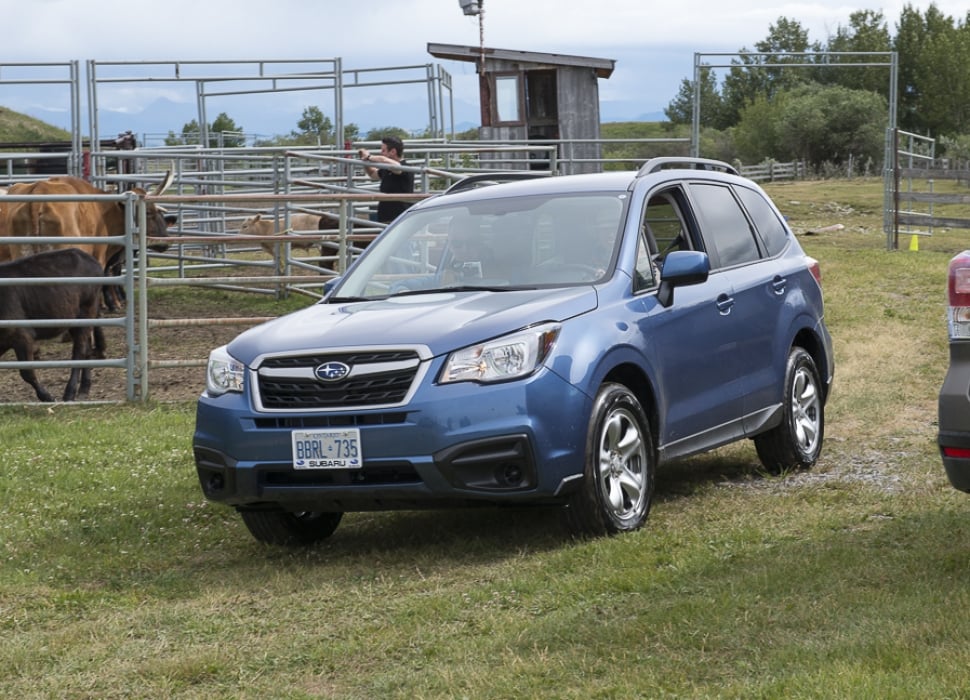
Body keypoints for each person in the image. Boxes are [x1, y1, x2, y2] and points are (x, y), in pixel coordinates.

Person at [358, 136, 414, 224]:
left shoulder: (405, 167)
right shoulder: (386, 168)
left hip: (400, 216)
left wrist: (368, 157)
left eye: (383, 150)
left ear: (393, 151)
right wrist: (365, 163)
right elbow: (373, 174)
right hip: (386, 215)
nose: (381, 153)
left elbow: (387, 161)